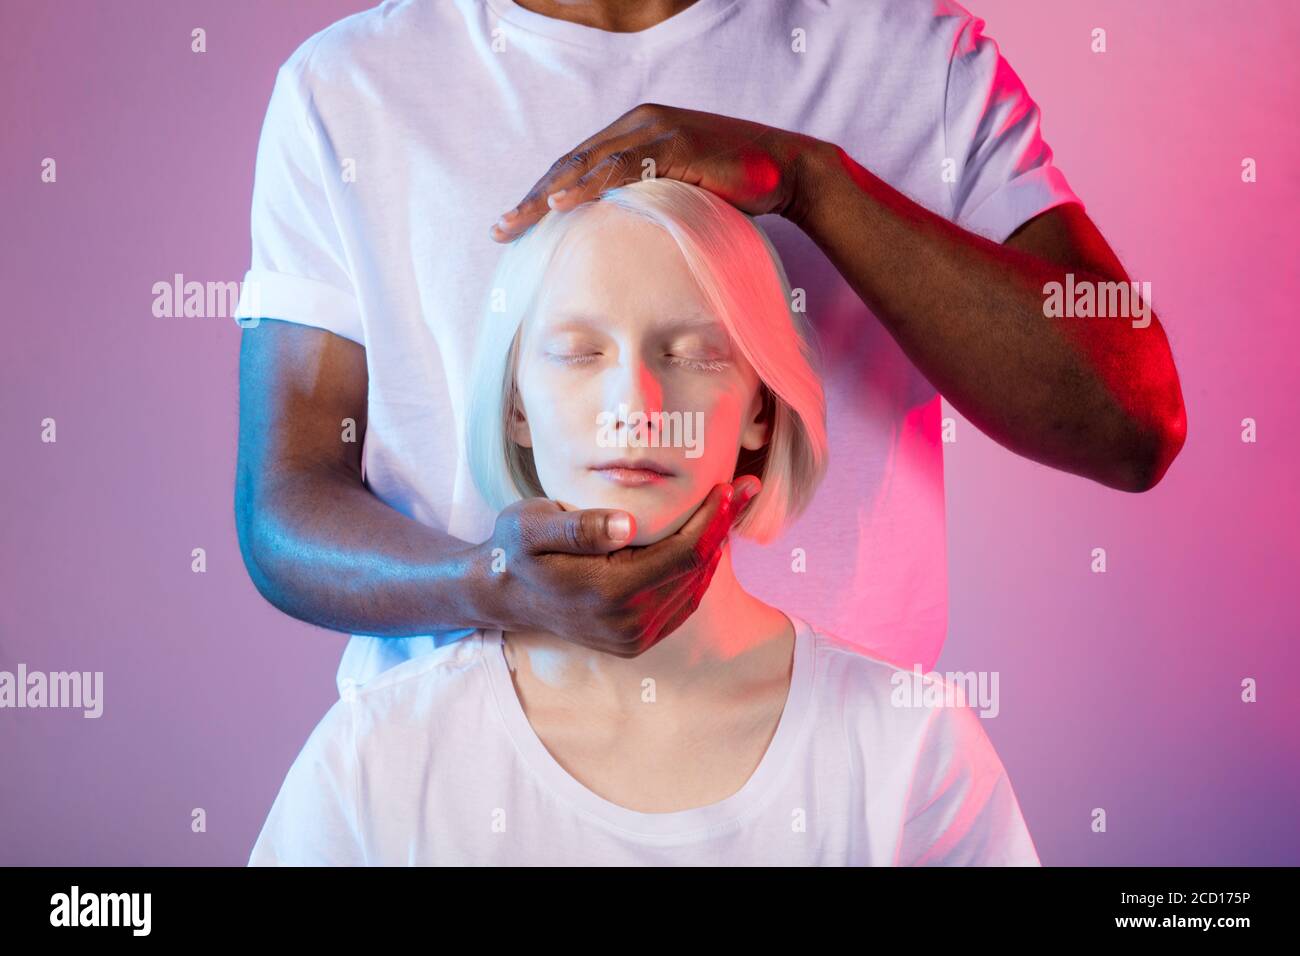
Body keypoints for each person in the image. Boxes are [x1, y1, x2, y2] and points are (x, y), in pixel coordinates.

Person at [232, 0, 1186, 693]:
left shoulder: (916, 58)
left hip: (835, 801)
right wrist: (491, 584)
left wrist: (815, 183)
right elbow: (286, 507)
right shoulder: (347, 89)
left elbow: (1129, 418)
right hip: (471, 799)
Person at [248, 179, 1039, 865]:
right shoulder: (375, 760)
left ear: (760, 409)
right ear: (517, 407)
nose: (636, 407)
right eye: (580, 353)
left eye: (693, 354)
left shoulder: (909, 749)